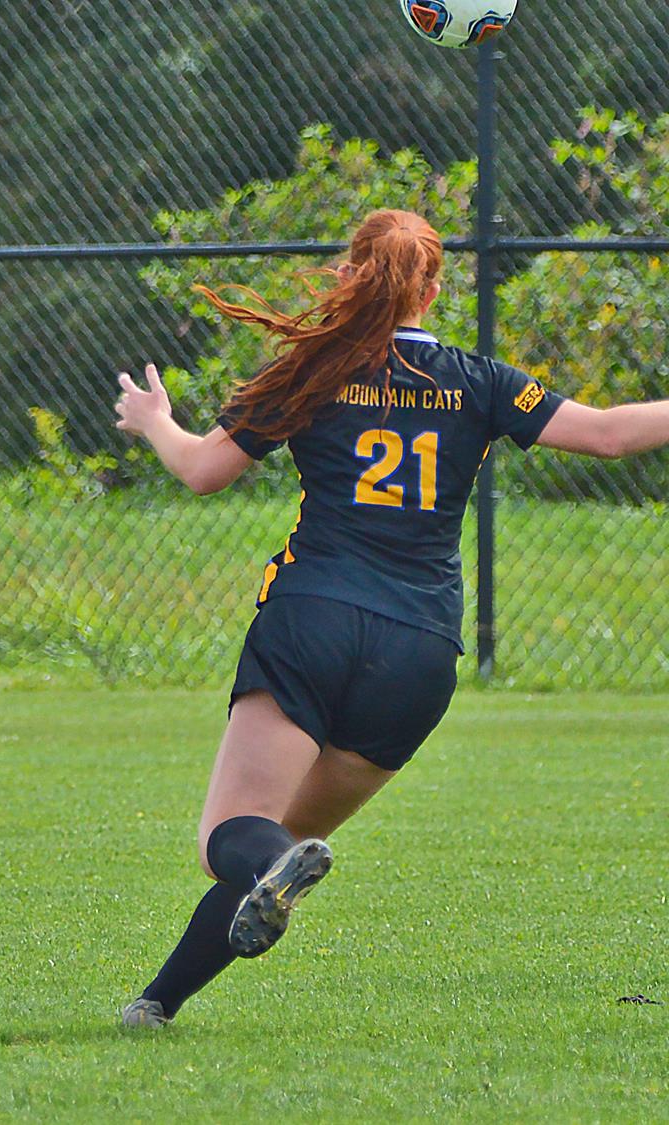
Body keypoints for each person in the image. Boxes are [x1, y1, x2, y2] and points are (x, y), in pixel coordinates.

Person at [111, 208, 669, 1027]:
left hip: (316, 620)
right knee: (268, 847)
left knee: (234, 839)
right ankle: (154, 1006)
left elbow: (202, 471)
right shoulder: (481, 379)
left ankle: (255, 889)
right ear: (435, 288)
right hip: (419, 651)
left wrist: (156, 422)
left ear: (348, 275)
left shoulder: (314, 369)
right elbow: (612, 436)